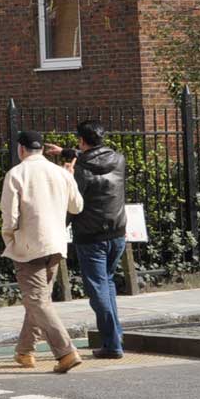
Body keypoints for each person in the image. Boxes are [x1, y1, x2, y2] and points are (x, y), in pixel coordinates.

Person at [1, 130, 85, 372]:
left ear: (21, 149)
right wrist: (71, 178)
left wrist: (10, 239)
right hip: (57, 244)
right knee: (39, 301)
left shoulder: (16, 174)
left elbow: (10, 217)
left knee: (37, 301)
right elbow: (77, 207)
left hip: (29, 246)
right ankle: (25, 351)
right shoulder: (61, 173)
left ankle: (66, 352)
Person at [71, 121, 128, 360]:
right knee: (108, 283)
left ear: (82, 141)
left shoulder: (80, 169)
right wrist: (70, 153)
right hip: (117, 234)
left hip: (90, 236)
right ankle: (113, 338)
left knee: (97, 291)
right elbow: (96, 158)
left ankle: (113, 344)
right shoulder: (119, 160)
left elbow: (74, 202)